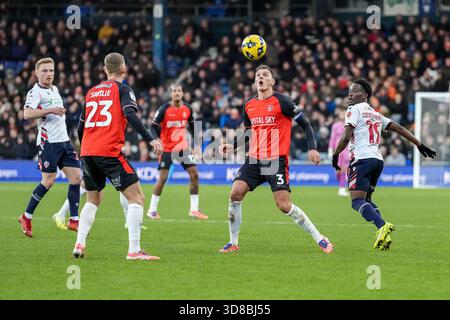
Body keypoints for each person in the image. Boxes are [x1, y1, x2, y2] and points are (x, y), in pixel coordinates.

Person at [218, 65, 334, 254]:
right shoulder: (249, 104)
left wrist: (312, 148)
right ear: (255, 81)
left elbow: (305, 124)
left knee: (283, 205)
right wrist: (233, 145)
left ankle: (320, 238)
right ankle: (233, 242)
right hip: (254, 159)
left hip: (275, 160)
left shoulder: (284, 102)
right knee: (235, 193)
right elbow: (248, 131)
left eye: (265, 75)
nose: (261, 78)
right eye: (258, 75)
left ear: (272, 81)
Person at [72, 52, 163, 260]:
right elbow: (130, 114)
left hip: (88, 152)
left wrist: (85, 147)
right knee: (137, 197)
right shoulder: (123, 89)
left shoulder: (91, 92)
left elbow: (80, 127)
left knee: (93, 199)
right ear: (124, 69)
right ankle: (134, 250)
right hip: (108, 151)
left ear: (105, 70)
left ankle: (79, 243)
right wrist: (150, 139)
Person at [332, 78, 436, 250]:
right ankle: (384, 236)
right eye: (349, 90)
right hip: (377, 160)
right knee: (367, 199)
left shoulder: (353, 110)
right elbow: (399, 128)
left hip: (362, 159)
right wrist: (419, 144)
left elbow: (346, 135)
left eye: (355, 90)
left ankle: (382, 226)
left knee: (356, 201)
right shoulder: (375, 114)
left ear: (365, 95)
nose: (350, 93)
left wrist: (335, 155)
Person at [18, 57, 82, 237]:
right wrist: (49, 110)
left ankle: (74, 220)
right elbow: (27, 113)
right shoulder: (35, 92)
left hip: (64, 142)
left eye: (51, 71)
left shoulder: (55, 89)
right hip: (48, 143)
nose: (48, 74)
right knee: (48, 181)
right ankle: (26, 216)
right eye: (44, 71)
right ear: (36, 73)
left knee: (76, 178)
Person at [146, 83, 208, 220]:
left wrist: (197, 145)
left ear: (183, 93)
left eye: (179, 90)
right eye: (174, 91)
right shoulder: (164, 109)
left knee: (194, 175)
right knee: (163, 178)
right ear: (171, 93)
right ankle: (151, 210)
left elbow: (194, 127)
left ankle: (194, 210)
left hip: (183, 148)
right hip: (167, 148)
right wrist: (157, 140)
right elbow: (152, 126)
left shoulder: (187, 109)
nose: (177, 93)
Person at [328, 107, 350, 196]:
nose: (343, 115)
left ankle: (341, 188)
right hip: (337, 150)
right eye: (341, 113)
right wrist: (330, 149)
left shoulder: (349, 125)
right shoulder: (335, 125)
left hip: (346, 150)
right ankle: (340, 185)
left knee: (344, 168)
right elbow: (332, 137)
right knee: (338, 170)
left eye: (344, 113)